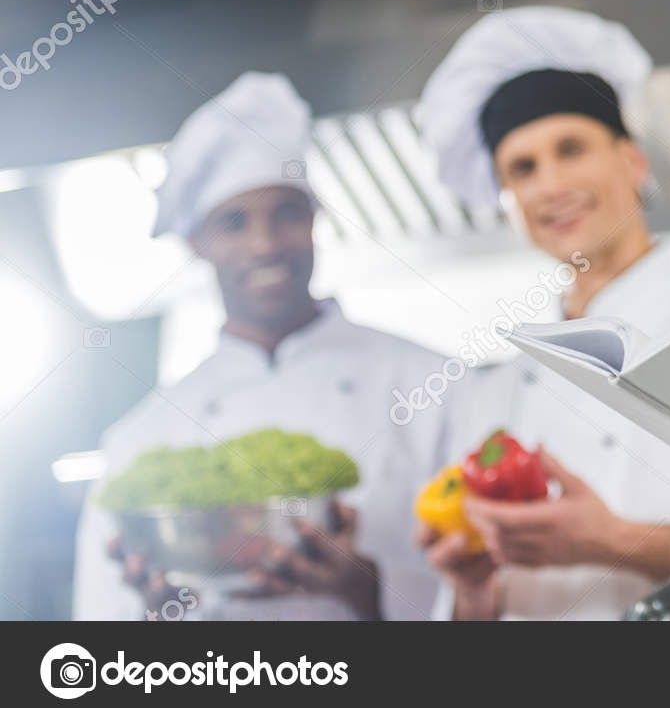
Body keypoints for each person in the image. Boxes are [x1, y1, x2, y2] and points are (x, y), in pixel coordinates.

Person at [414, 6, 670, 620]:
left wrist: (619, 543)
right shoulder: (494, 391)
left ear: (633, 161)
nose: (552, 184)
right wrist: (471, 593)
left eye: (571, 148)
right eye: (523, 168)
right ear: (508, 203)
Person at [73, 73, 453, 621]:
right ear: (197, 244)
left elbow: (495, 595)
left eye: (286, 213)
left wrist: (370, 595)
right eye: (234, 222)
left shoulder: (431, 386)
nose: (265, 244)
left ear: (315, 218)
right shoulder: (139, 439)